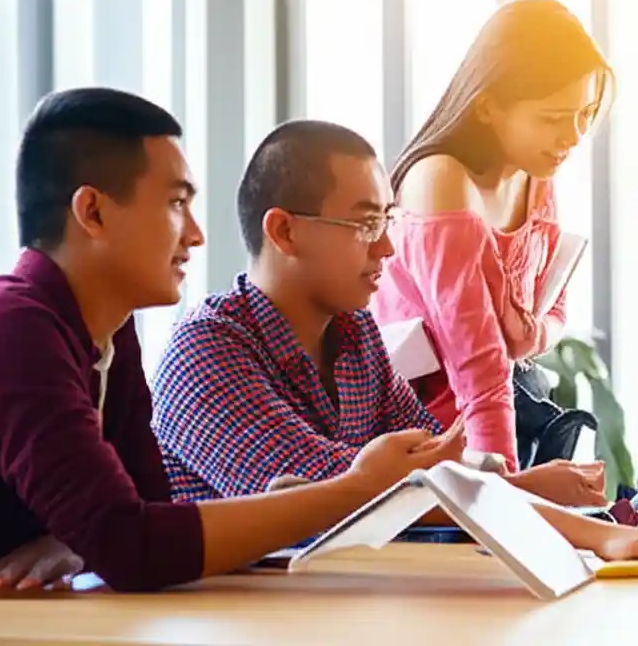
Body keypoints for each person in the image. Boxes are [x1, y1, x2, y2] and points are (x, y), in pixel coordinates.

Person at [0, 90, 638, 595]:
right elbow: (141, 546)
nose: (195, 233)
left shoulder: (116, 333)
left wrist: (79, 535)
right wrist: (360, 487)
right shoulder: (25, 330)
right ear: (93, 211)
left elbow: (141, 514)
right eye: (174, 204)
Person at [152, 120, 606, 507]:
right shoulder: (205, 349)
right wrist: (523, 492)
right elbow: (326, 498)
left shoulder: (356, 334)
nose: (387, 249)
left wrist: (518, 488)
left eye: (387, 222)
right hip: (226, 609)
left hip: (331, 602)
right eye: (366, 224)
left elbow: (438, 457)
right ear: (284, 231)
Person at [370, 0, 610, 479]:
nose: (574, 136)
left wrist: (536, 334)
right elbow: (476, 365)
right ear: (486, 107)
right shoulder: (441, 181)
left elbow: (551, 304)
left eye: (584, 113)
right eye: (552, 118)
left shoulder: (535, 174)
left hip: (502, 422)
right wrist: (506, 492)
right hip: (425, 443)